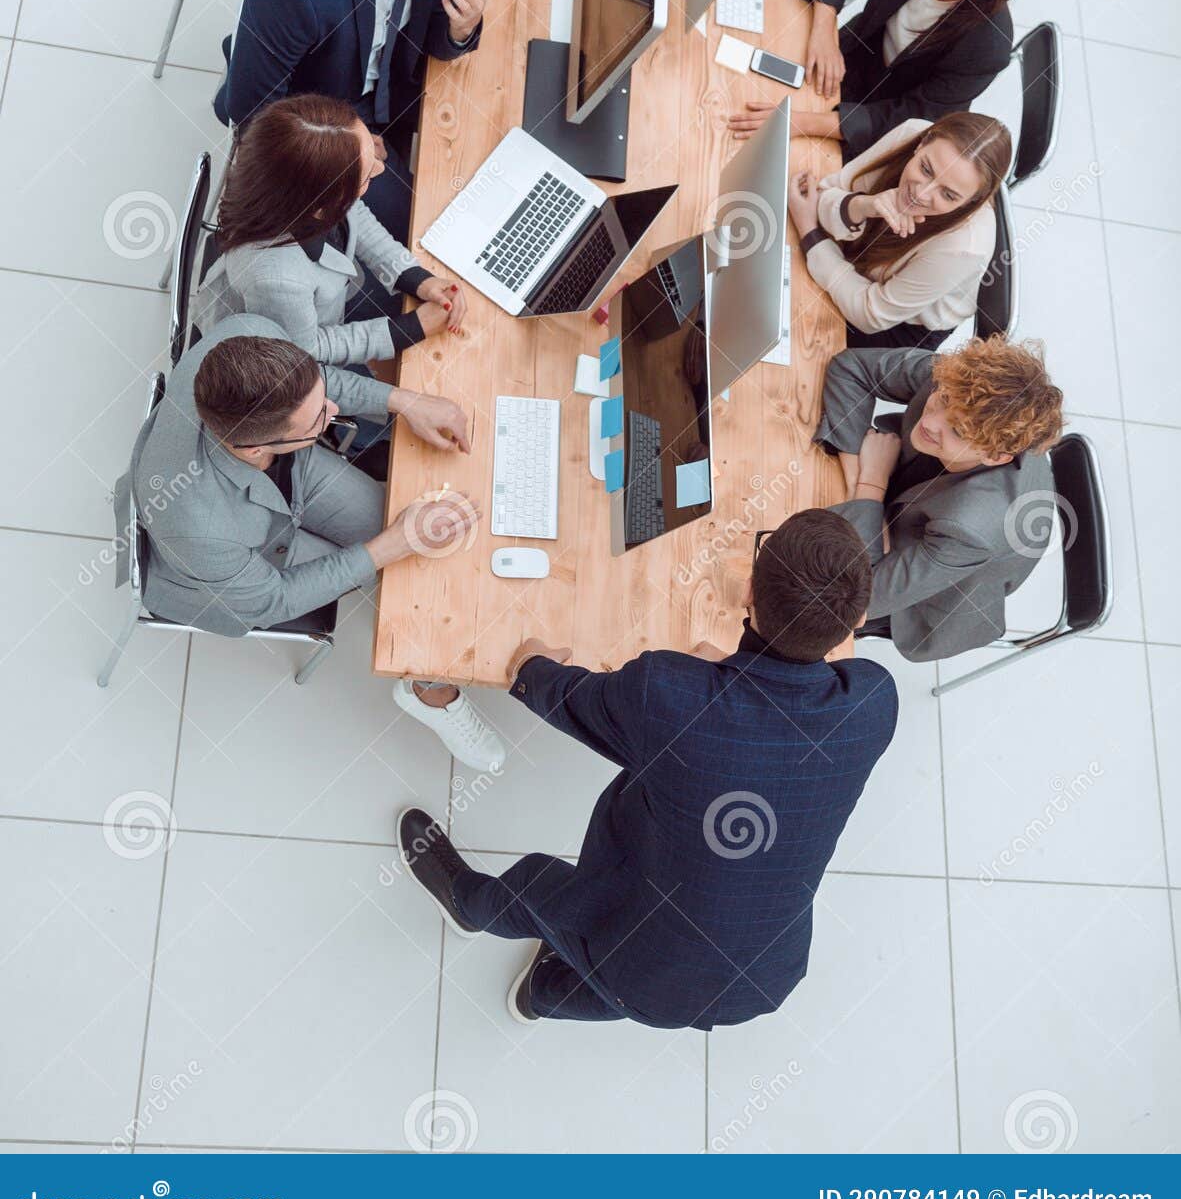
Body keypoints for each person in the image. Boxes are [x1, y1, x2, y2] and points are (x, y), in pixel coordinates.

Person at [396, 510, 897, 1029]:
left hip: (650, 967)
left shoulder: (671, 696)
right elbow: (774, 728)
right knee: (634, 983)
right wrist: (731, 677)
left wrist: (531, 666)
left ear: (748, 590)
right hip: (763, 975)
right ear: (858, 620)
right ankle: (542, 997)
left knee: (540, 887)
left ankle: (466, 908)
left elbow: (572, 699)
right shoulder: (874, 704)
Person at [123, 313, 504, 770]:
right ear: (255, 449)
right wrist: (391, 545)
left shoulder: (242, 334)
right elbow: (272, 600)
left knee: (413, 540)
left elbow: (315, 389)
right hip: (245, 566)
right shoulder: (197, 523)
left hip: (291, 476)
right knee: (400, 566)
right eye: (320, 421)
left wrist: (405, 401)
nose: (336, 414)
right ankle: (429, 691)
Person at [214, 0, 509, 241]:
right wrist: (348, 144)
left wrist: (461, 28)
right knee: (425, 231)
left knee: (487, 162)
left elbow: (433, 29)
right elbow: (253, 116)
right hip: (322, 125)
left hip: (391, 95)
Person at [815, 336, 1064, 661]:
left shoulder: (974, 527)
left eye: (958, 430)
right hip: (903, 505)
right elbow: (851, 367)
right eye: (941, 399)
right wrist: (857, 480)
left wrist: (872, 482)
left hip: (929, 592)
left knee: (815, 598)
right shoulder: (960, 383)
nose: (929, 421)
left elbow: (859, 596)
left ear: (994, 456)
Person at [728, 0, 1035, 160]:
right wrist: (824, 28)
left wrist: (801, 123)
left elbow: (912, 119)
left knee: (764, 152)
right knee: (735, 86)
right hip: (845, 55)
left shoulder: (987, 48)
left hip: (873, 124)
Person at [196, 94, 467, 365]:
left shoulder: (301, 190)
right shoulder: (277, 280)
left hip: (327, 299)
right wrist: (409, 330)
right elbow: (306, 351)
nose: (382, 168)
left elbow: (356, 213)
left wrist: (415, 276)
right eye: (367, 174)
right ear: (322, 207)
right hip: (282, 360)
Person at [787, 112, 1012, 351]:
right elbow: (828, 190)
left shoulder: (963, 249)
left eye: (948, 195)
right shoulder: (912, 132)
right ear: (922, 144)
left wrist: (810, 234)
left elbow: (870, 314)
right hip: (856, 263)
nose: (921, 194)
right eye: (926, 169)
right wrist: (863, 206)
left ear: (971, 201)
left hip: (896, 326)